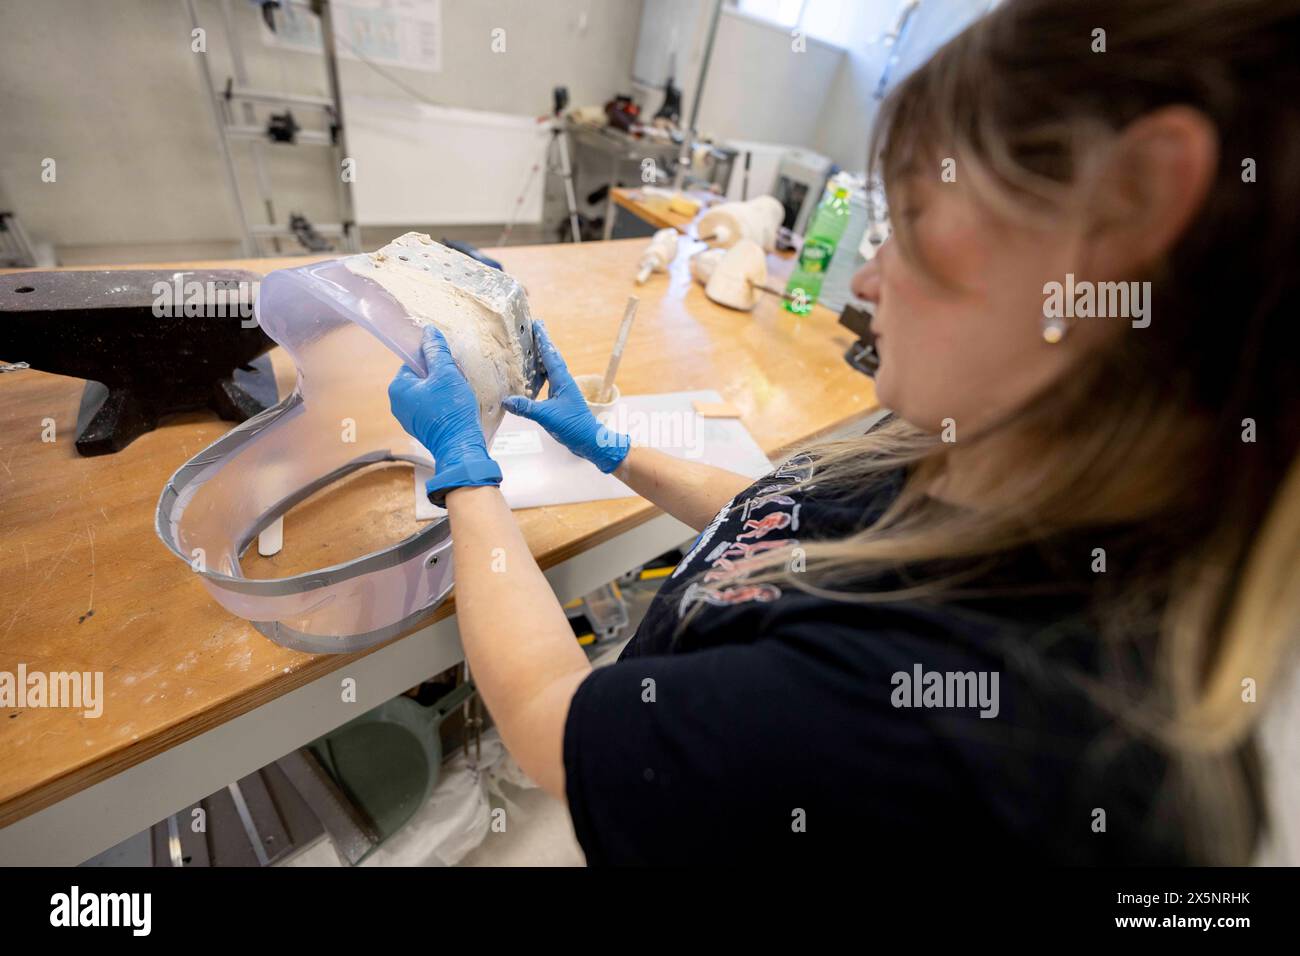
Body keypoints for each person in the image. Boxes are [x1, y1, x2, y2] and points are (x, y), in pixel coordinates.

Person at [387, 0, 1300, 865]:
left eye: (909, 224)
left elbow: (553, 714)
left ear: (1122, 218)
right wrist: (614, 452)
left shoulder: (933, 724)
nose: (866, 286)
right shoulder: (984, 456)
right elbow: (785, 523)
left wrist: (466, 478)